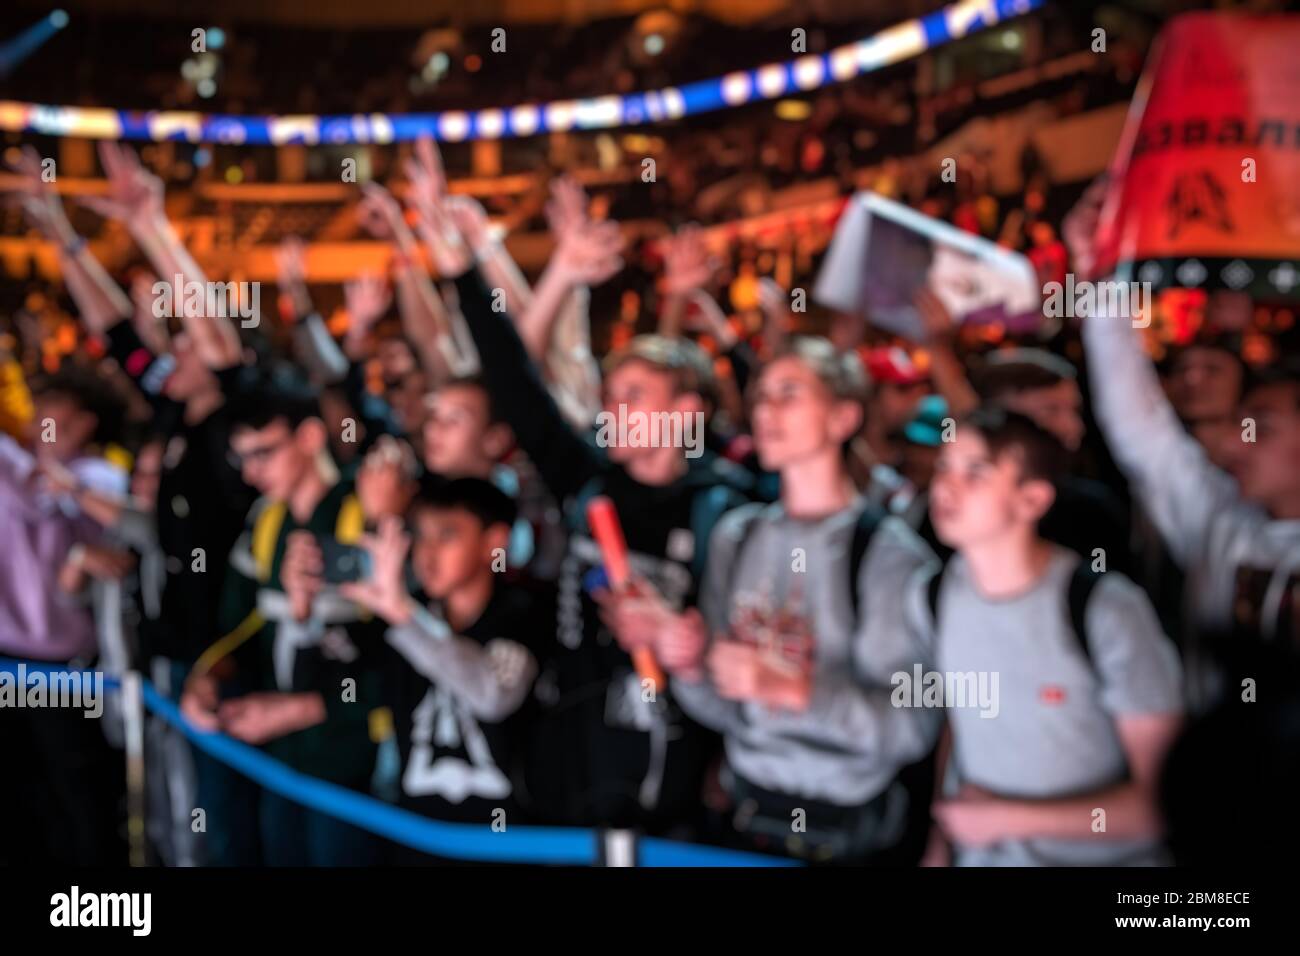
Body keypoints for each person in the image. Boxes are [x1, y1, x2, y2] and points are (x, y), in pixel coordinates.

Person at [607, 337, 940, 863]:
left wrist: (792, 687)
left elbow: (910, 729)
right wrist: (689, 662)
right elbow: (725, 708)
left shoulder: (889, 557)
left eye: (790, 393)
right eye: (761, 396)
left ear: (843, 418)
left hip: (851, 832)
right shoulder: (736, 536)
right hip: (743, 822)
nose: (766, 410)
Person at [925, 407, 1183, 866]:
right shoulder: (942, 591)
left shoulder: (1104, 611)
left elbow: (1165, 805)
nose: (946, 486)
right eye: (944, 466)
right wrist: (942, 840)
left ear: (1032, 500)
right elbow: (960, 719)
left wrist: (1005, 819)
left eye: (976, 473)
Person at [181, 381, 383, 866]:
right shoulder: (266, 522)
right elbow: (243, 626)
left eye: (263, 453)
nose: (251, 473)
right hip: (280, 756)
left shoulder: (366, 512)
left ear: (311, 437)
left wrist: (306, 708)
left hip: (356, 761)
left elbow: (397, 651)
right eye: (242, 459)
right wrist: (207, 678)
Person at [336, 479, 551, 862]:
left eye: (447, 535)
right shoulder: (401, 615)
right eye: (420, 536)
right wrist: (302, 610)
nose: (427, 553)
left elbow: (493, 696)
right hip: (414, 839)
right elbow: (342, 681)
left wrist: (404, 618)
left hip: (507, 846)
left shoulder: (525, 614)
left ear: (494, 541)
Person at [0, 367, 129, 865]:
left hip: (66, 666)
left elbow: (39, 500)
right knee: (24, 787)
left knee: (78, 788)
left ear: (85, 424)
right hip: (9, 657)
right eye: (39, 408)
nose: (41, 420)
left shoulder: (101, 477)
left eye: (55, 412)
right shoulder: (22, 469)